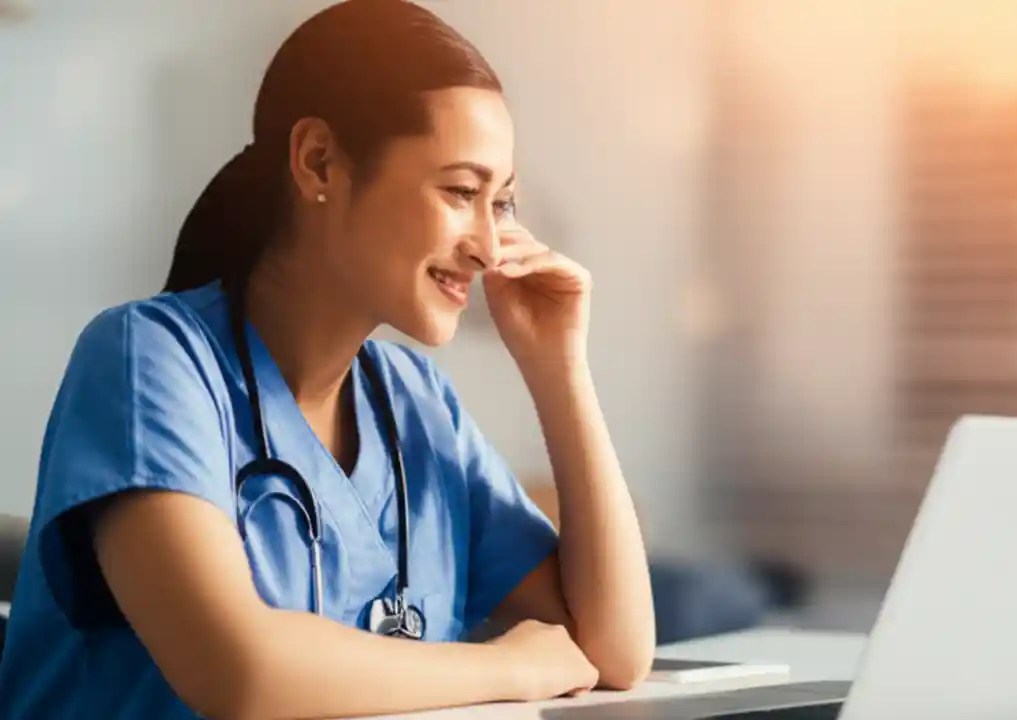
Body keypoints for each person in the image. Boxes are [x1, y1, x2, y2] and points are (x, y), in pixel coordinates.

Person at [0, 1, 654, 716]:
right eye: (462, 192)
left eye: (501, 203)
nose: (491, 248)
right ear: (319, 162)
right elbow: (239, 674)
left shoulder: (417, 404)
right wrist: (509, 668)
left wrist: (559, 371)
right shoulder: (147, 360)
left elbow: (613, 650)